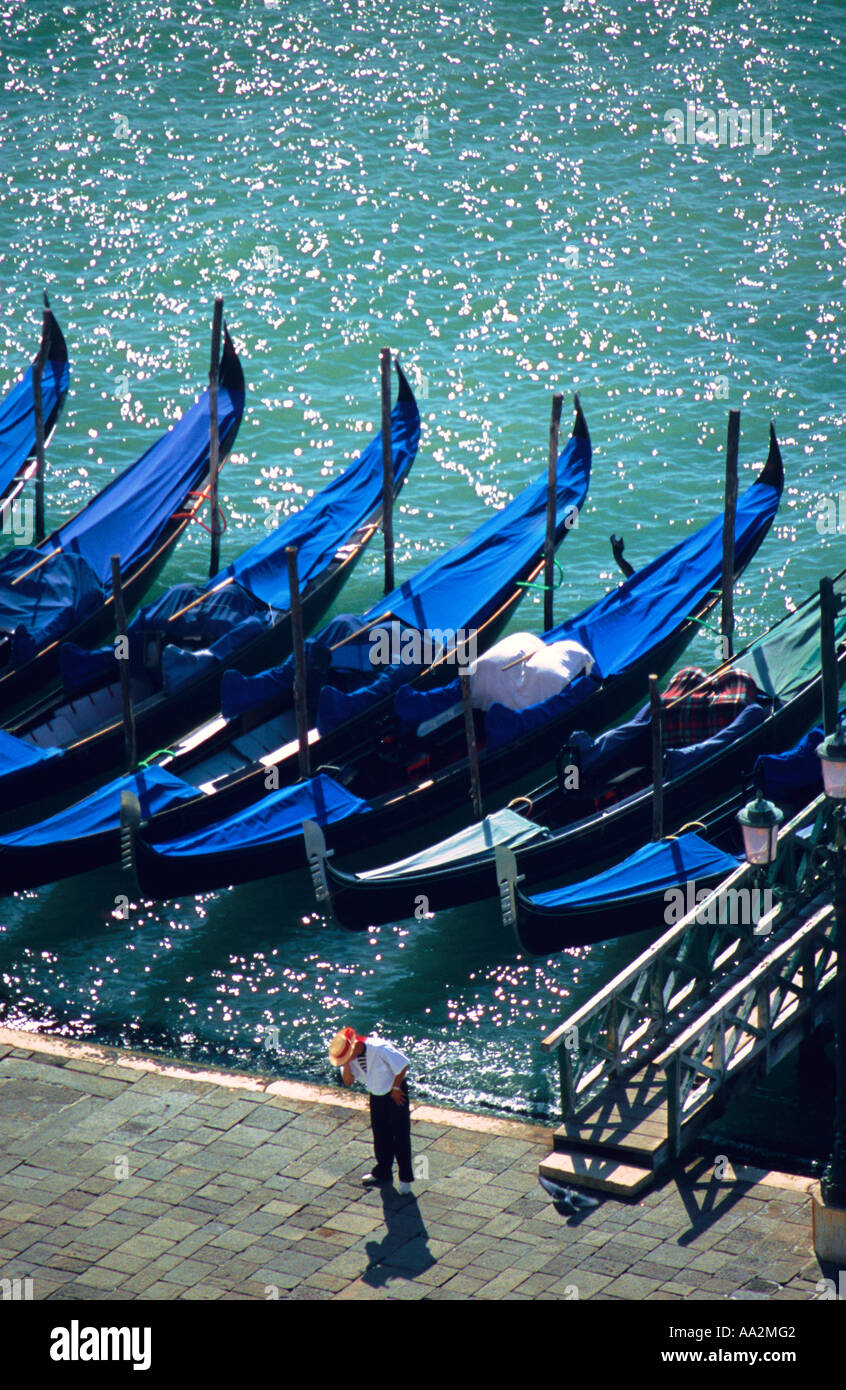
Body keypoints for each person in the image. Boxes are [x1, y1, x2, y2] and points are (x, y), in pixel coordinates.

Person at [329, 1026, 414, 1194]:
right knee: (380, 1135)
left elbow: (403, 1064)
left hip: (394, 1092)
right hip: (376, 1094)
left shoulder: (379, 1048)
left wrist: (396, 1088)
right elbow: (348, 1081)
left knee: (401, 1136)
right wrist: (346, 1063)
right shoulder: (350, 1059)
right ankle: (383, 1171)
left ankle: (405, 1179)